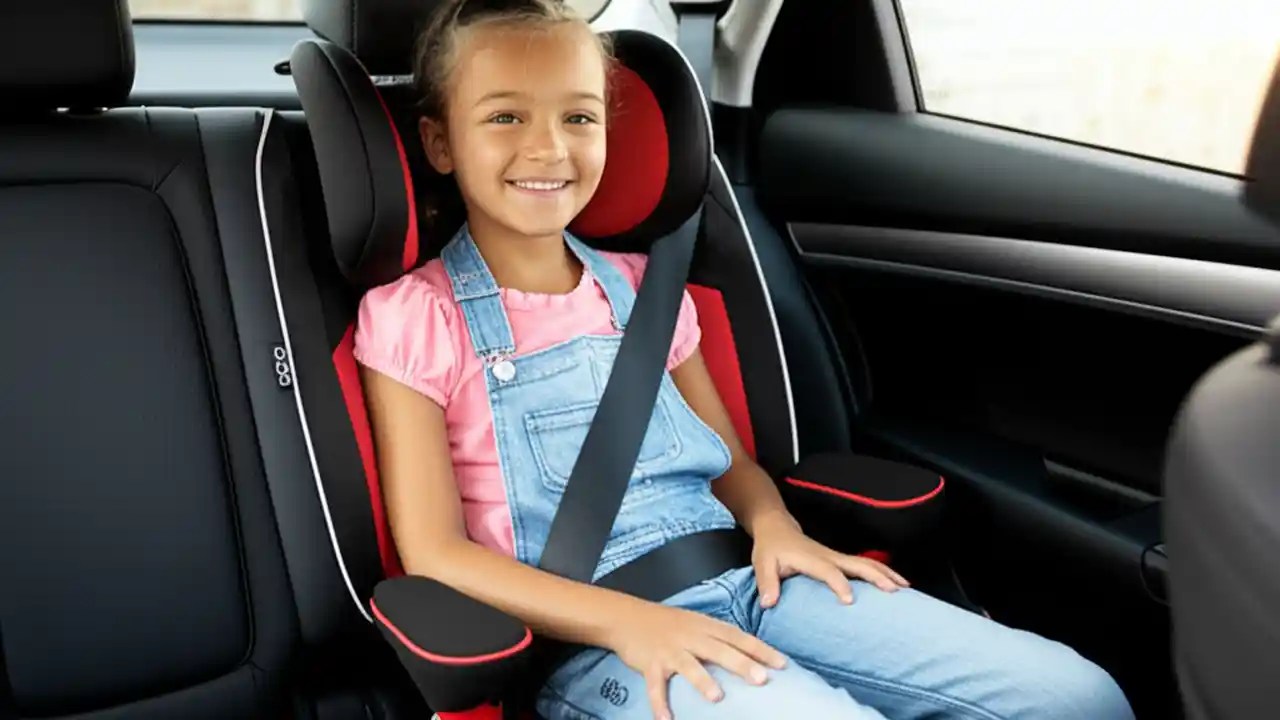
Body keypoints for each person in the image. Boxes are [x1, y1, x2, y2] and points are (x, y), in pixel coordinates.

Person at [354, 1, 1135, 718]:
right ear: (440, 142)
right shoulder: (417, 318)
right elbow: (434, 552)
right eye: (505, 117)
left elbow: (730, 463)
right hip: (593, 642)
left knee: (1076, 696)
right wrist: (633, 621)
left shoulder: (644, 292)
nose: (548, 147)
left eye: (579, 117)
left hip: (752, 582)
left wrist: (775, 525)